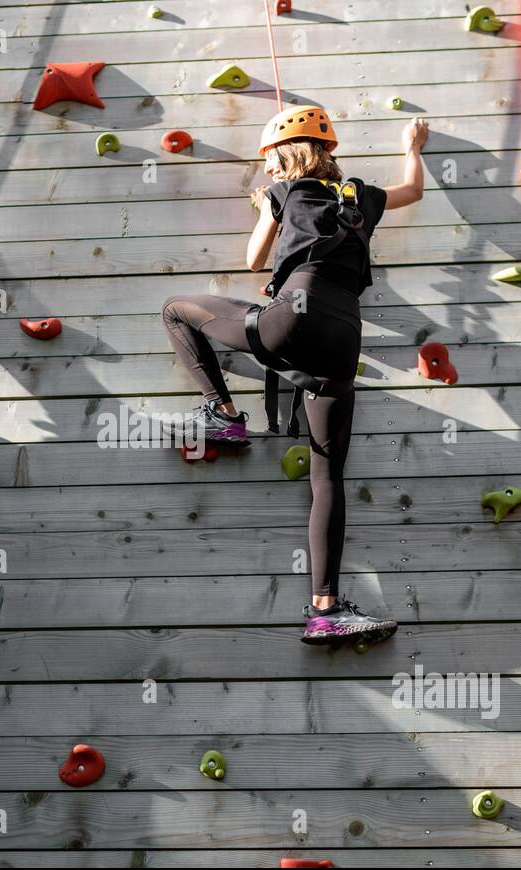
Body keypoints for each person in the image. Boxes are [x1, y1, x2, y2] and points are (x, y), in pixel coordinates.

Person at [160, 106, 428, 645]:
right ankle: (326, 610)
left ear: (282, 161)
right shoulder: (360, 198)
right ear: (329, 155)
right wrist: (412, 147)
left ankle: (224, 415)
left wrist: (267, 208)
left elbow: (255, 259)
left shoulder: (284, 193)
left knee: (175, 308)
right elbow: (413, 190)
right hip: (342, 337)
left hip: (293, 316)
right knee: (326, 477)